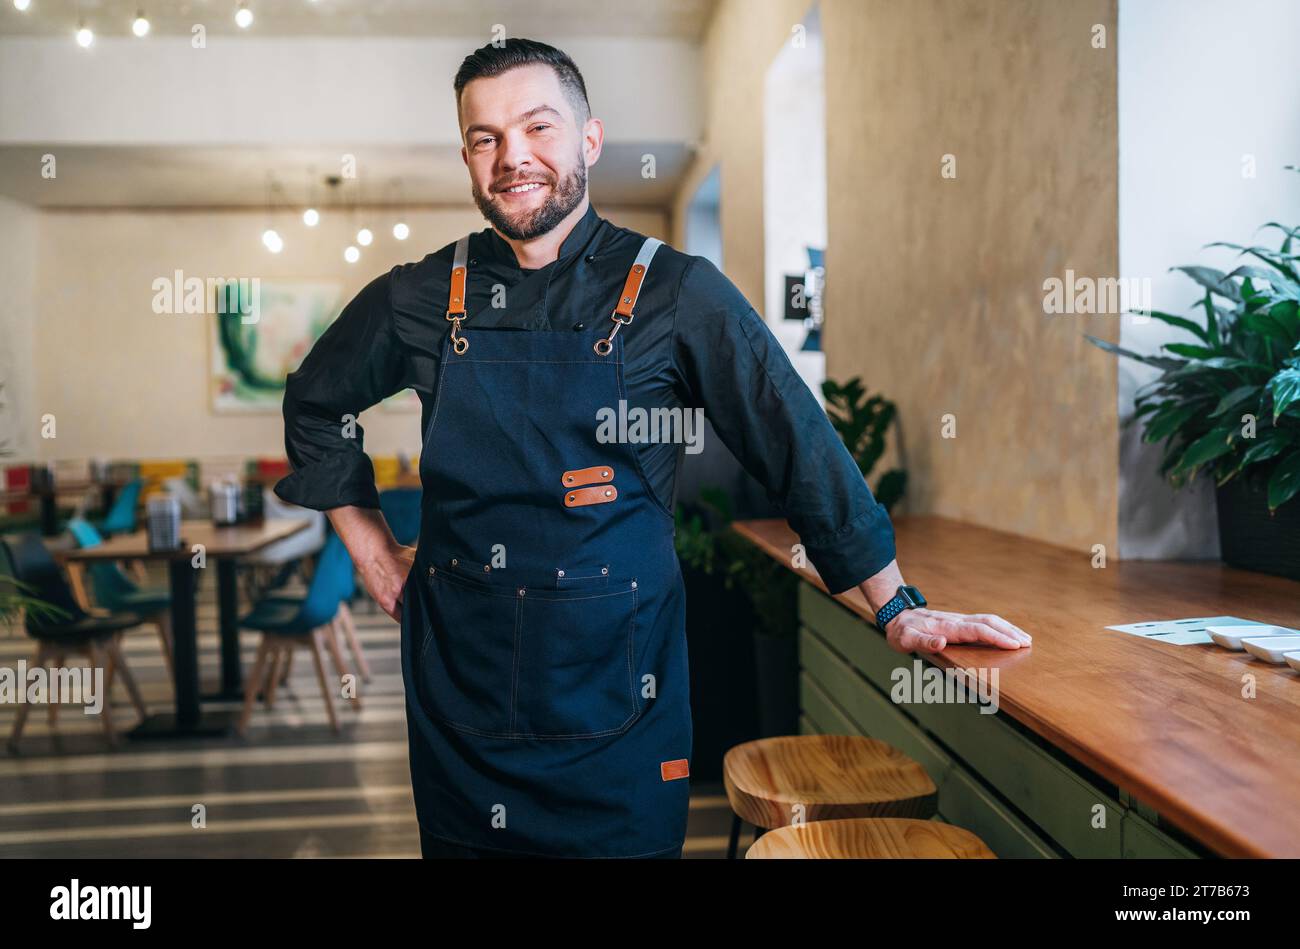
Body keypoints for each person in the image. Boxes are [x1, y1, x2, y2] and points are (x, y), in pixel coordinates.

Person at [275, 38, 1031, 860]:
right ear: (466, 156)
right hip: (464, 706)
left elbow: (795, 440)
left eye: (538, 126)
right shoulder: (420, 296)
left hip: (619, 707)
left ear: (590, 139)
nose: (513, 156)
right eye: (486, 137)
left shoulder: (676, 291)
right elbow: (315, 404)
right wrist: (375, 554)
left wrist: (895, 603)